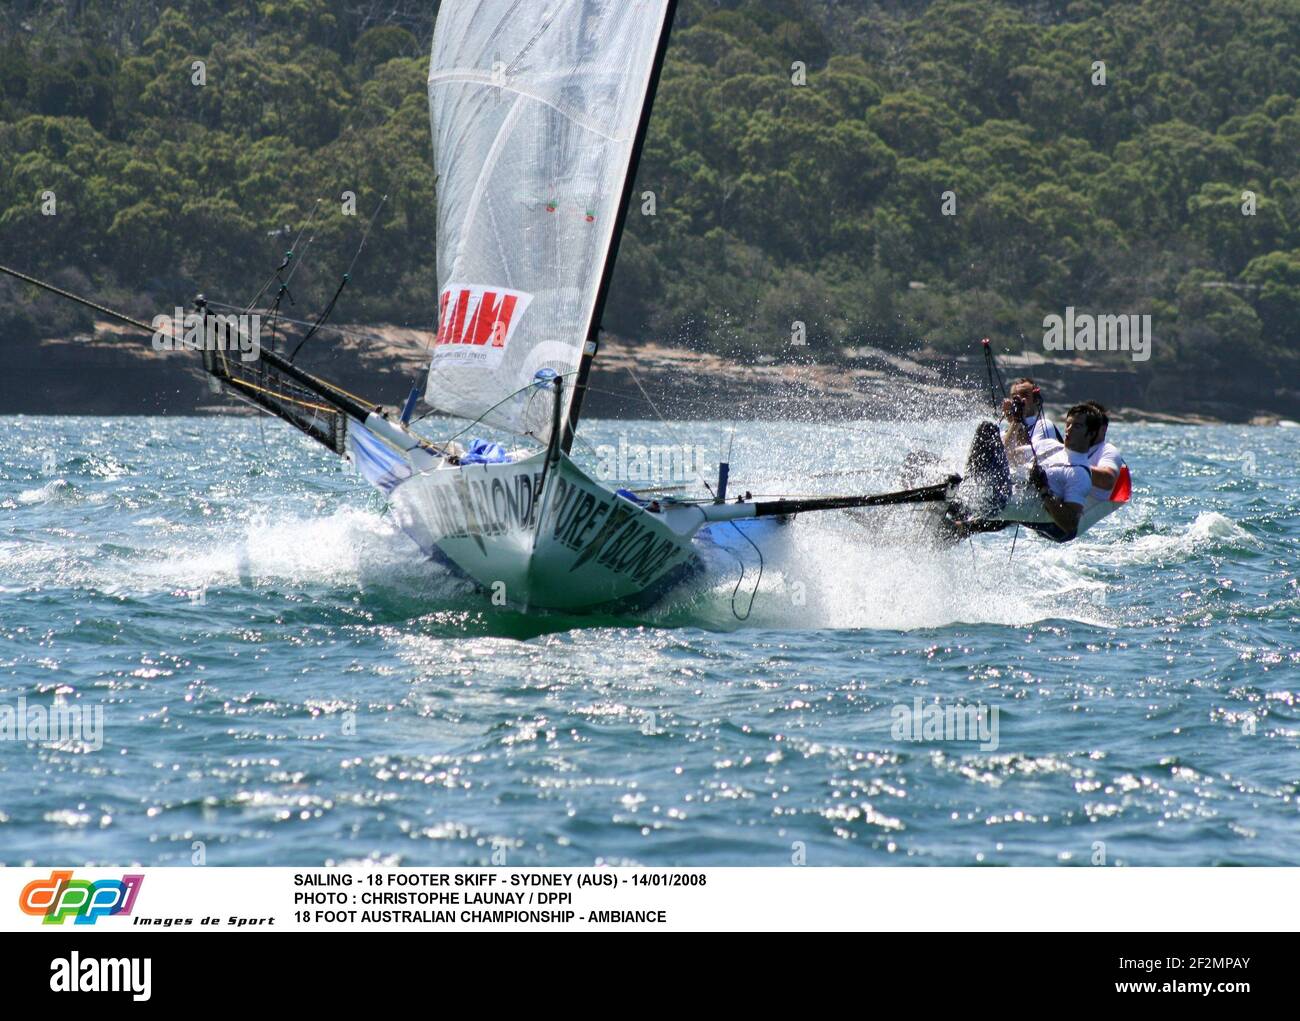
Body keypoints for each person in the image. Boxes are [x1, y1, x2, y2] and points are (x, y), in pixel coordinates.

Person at [1080, 400, 1125, 503]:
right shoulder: (1069, 447)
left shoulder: (1108, 451)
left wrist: (1073, 465)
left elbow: (1107, 480)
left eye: (1090, 424)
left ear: (1103, 429)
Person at [1000, 377, 1062, 445]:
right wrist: (1013, 420)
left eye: (1024, 395)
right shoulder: (1002, 434)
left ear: (1036, 400)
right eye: (1014, 397)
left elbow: (1031, 453)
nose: (1019, 400)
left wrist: (1017, 420)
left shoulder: (1044, 425)